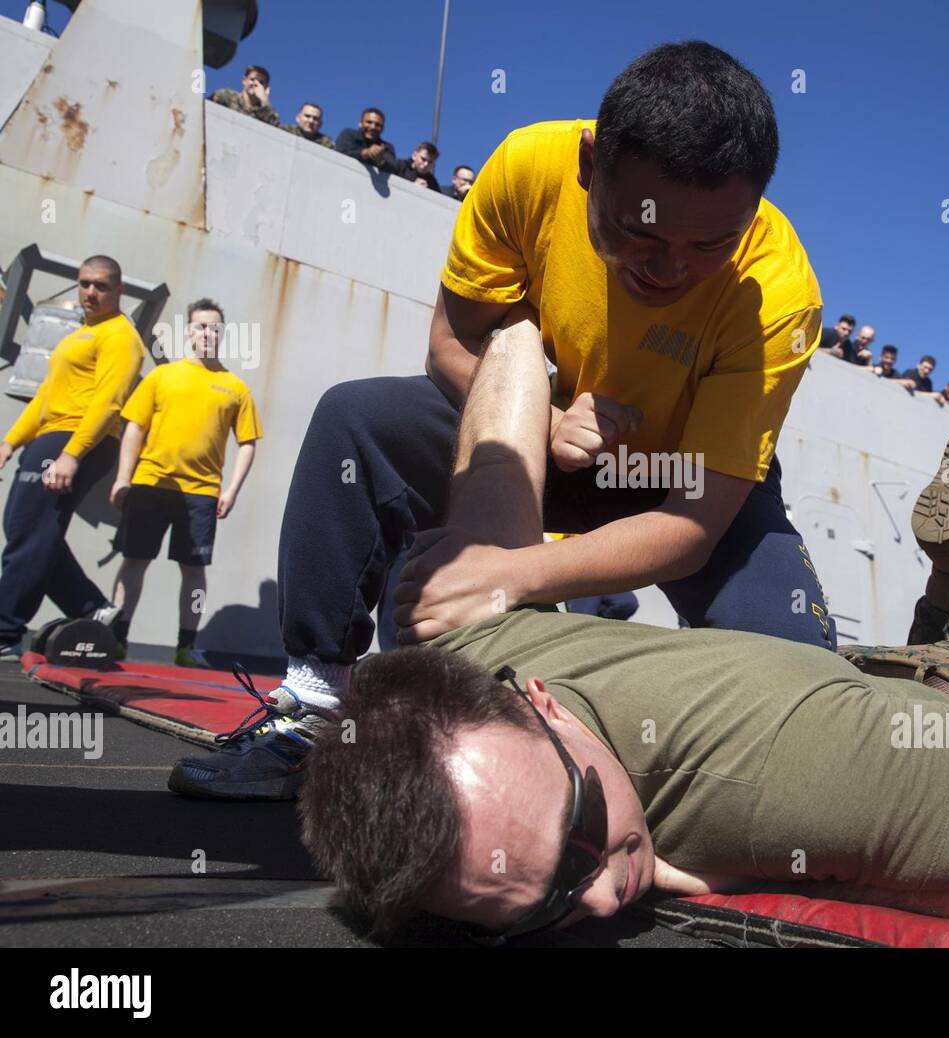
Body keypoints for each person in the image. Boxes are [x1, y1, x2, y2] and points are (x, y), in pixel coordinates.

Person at [295, 347, 949, 940]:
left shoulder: (772, 782)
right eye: (540, 909)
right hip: (861, 694)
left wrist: (711, 873)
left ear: (540, 706)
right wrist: (547, 431)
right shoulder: (460, 637)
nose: (607, 894)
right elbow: (509, 351)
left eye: (579, 832)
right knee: (932, 689)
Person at [167, 40, 837, 801]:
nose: (669, 268)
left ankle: (674, 769)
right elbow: (451, 345)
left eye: (707, 244)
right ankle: (316, 709)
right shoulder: (527, 168)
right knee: (355, 420)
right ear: (590, 164)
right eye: (638, 231)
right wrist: (547, 427)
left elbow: (692, 526)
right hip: (538, 441)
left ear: (749, 212)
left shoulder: (778, 292)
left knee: (799, 687)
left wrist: (509, 577)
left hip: (678, 481)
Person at [0, 256, 146, 659]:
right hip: (51, 437)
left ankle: (5, 631)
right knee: (28, 530)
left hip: (80, 439)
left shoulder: (121, 336)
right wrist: (10, 442)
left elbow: (110, 402)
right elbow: (46, 396)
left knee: (29, 532)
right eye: (84, 284)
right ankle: (93, 610)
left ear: (119, 291)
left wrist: (72, 455)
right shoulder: (78, 336)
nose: (90, 293)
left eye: (100, 286)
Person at [105, 299, 262, 666]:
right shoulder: (162, 377)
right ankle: (116, 639)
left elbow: (248, 443)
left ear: (223, 335)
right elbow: (134, 429)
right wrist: (123, 479)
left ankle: (185, 647)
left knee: (194, 570)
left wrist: (232, 490)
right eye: (200, 326)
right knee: (134, 559)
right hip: (149, 485)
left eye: (213, 328)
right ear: (189, 332)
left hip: (201, 493)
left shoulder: (235, 388)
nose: (206, 333)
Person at [211, 65, 280, 127]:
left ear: (266, 88)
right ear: (244, 81)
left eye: (261, 82)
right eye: (252, 79)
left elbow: (274, 127)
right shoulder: (227, 96)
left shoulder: (264, 112)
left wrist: (264, 100)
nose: (255, 83)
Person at [335, 108, 399, 174]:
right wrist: (366, 153)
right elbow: (340, 153)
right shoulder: (348, 134)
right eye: (369, 122)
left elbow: (394, 169)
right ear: (360, 123)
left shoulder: (386, 147)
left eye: (378, 125)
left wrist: (380, 161)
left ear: (382, 128)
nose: (373, 127)